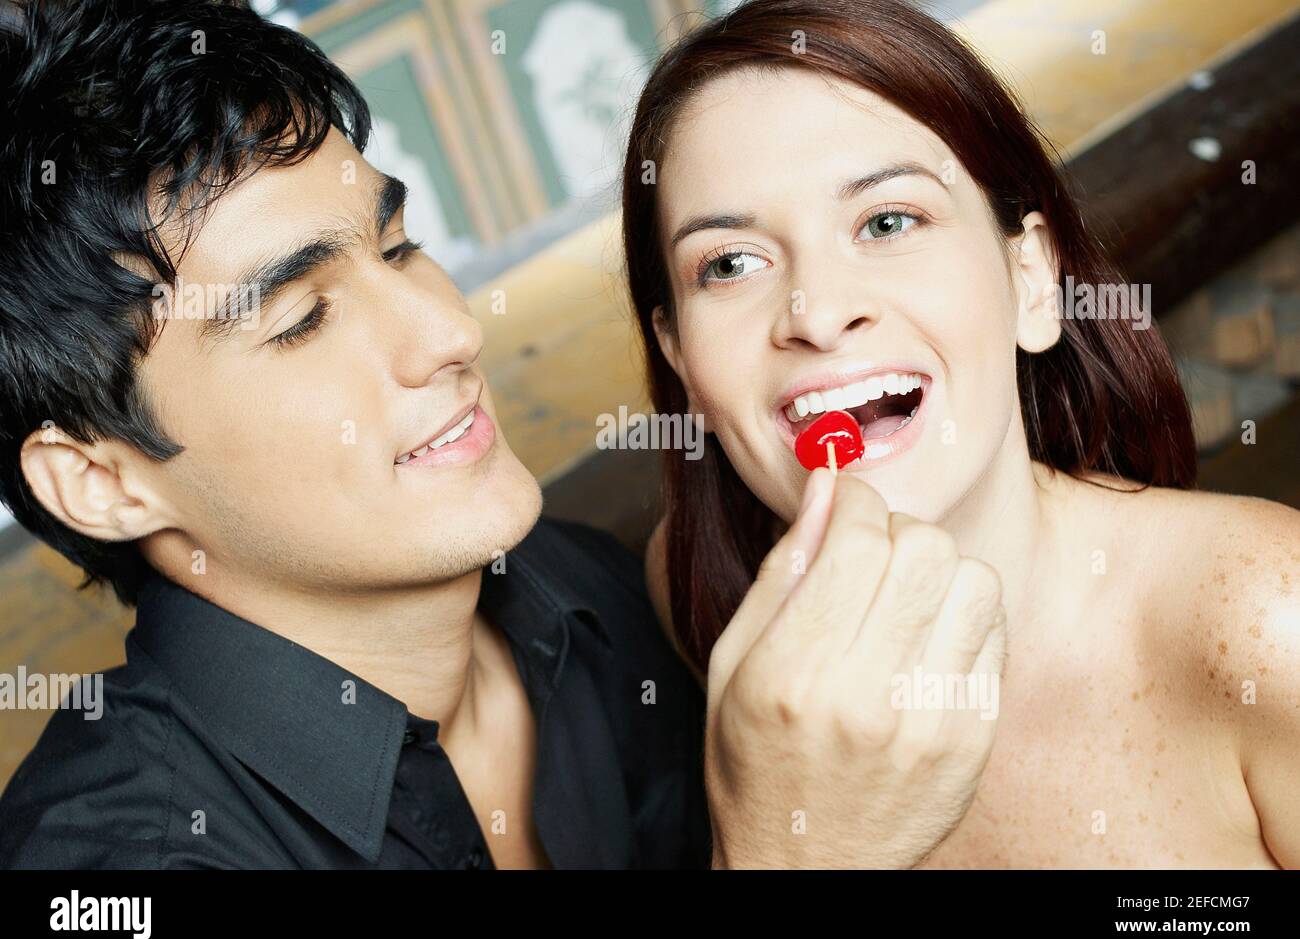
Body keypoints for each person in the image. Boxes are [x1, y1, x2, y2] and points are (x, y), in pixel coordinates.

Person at [0, 0, 1004, 869]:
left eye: (401, 248)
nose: (450, 332)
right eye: (301, 318)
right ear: (100, 480)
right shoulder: (119, 865)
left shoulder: (587, 595)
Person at [624, 0, 1300, 867]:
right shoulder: (693, 584)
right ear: (679, 357)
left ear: (1031, 280)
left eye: (888, 221)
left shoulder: (1267, 624)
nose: (818, 314)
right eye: (730, 263)